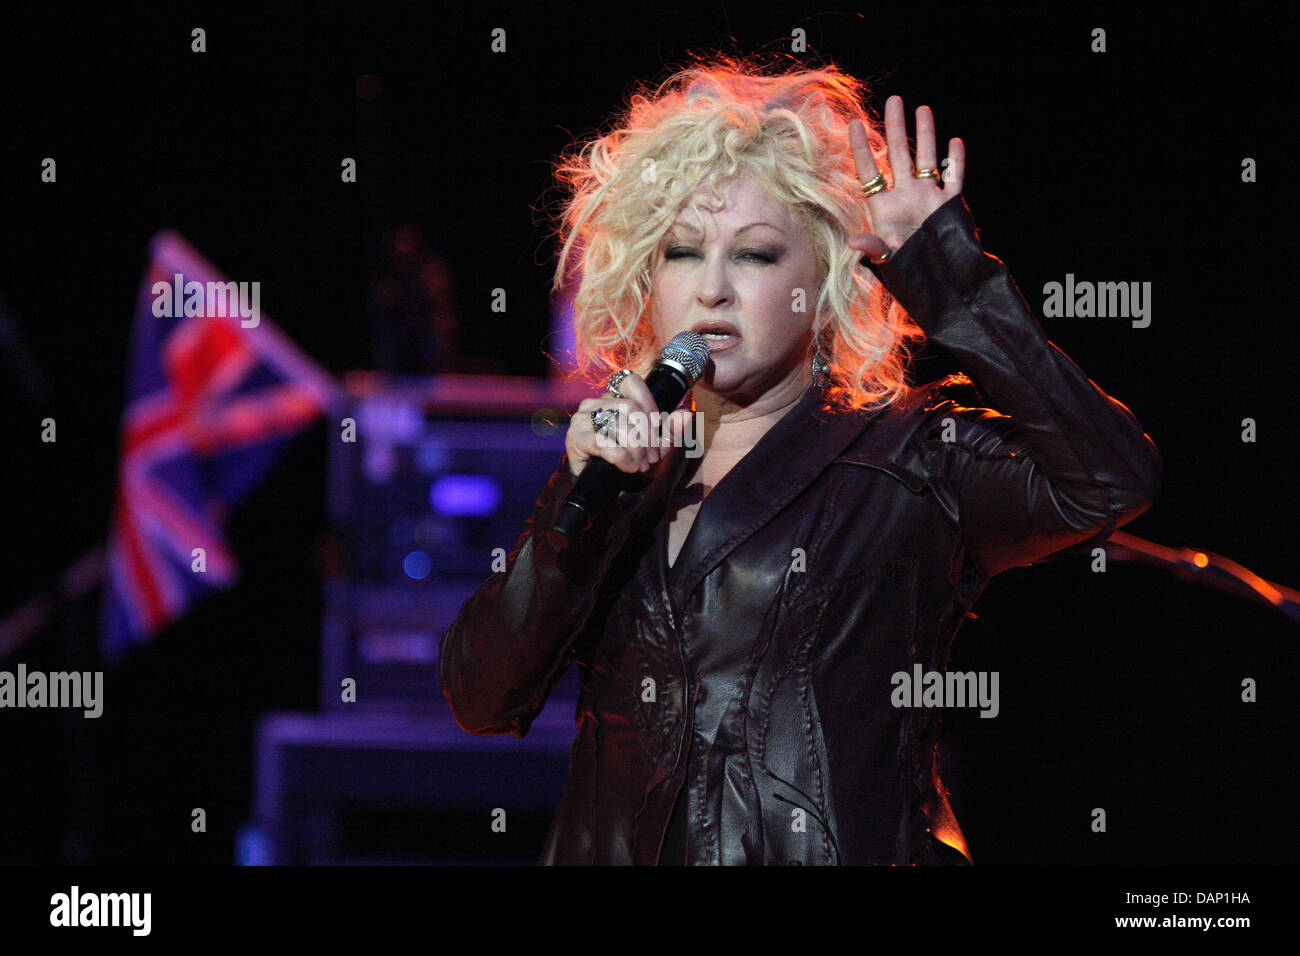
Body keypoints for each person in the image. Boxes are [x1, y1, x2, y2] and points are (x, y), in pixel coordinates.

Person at [438, 55, 1161, 865]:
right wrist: (580, 500)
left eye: (753, 255)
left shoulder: (910, 457)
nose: (711, 288)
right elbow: (480, 696)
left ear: (822, 277)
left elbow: (1110, 478)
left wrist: (951, 283)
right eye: (681, 252)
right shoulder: (623, 477)